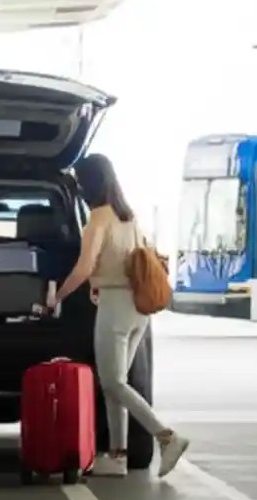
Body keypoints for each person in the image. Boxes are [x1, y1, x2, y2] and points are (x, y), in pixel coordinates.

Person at [46, 153, 190, 478]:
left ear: (89, 183)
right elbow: (128, 260)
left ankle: (167, 436)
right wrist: (100, 281)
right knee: (116, 384)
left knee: (112, 381)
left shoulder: (97, 219)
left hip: (114, 308)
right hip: (138, 307)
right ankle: (118, 455)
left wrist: (58, 296)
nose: (79, 188)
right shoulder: (129, 217)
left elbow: (84, 268)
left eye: (80, 182)